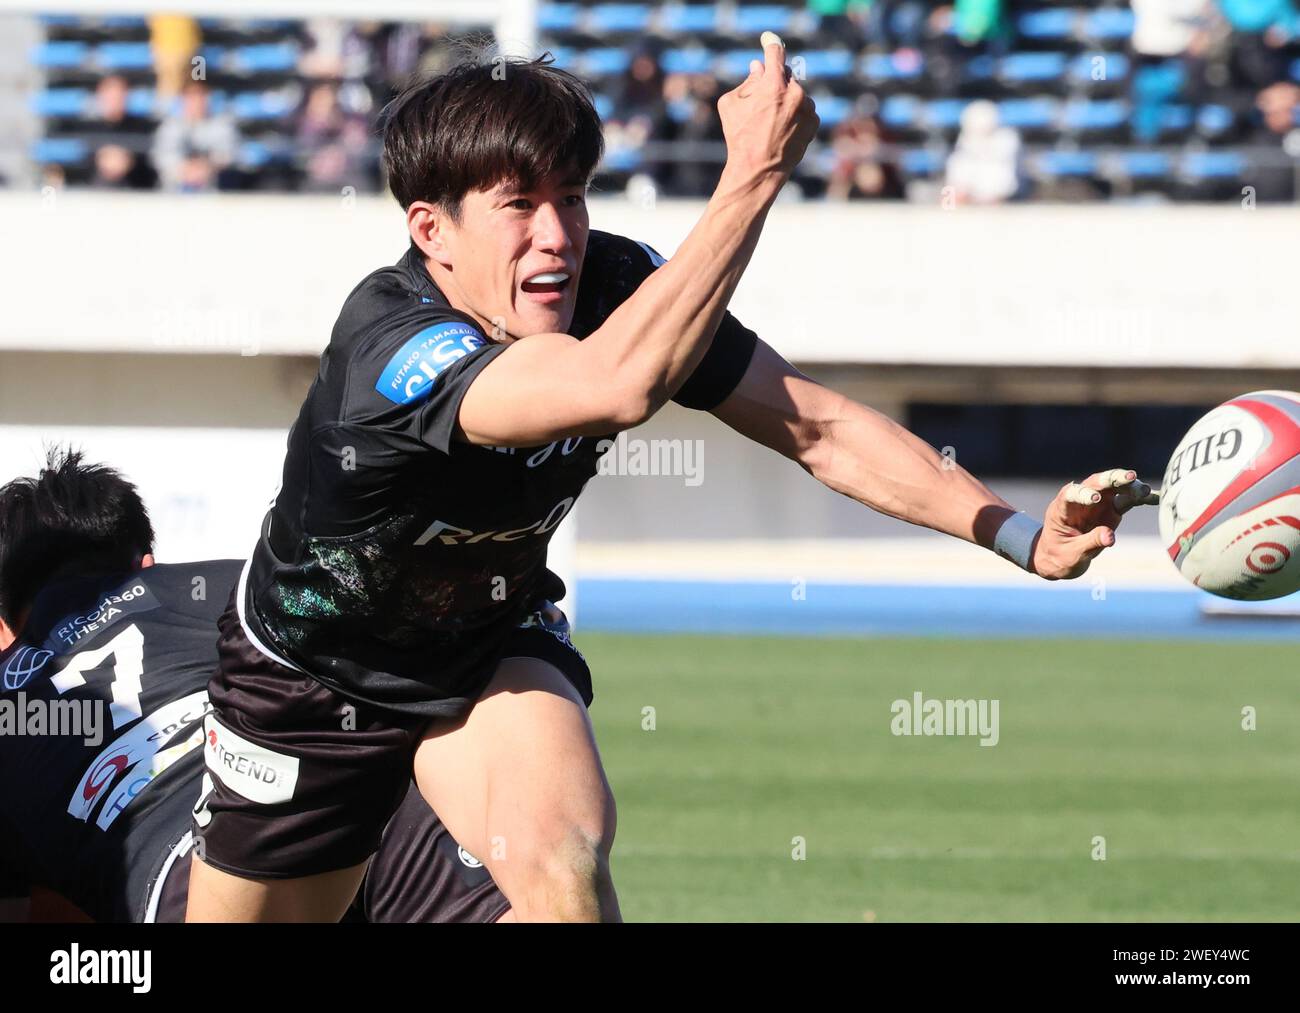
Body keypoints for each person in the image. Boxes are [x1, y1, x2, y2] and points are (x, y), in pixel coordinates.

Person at [185, 39, 1152, 924]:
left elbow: (816, 425)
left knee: (565, 877)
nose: (557, 235)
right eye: (519, 206)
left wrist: (1021, 533)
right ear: (431, 230)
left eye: (572, 195)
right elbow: (615, 384)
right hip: (308, 683)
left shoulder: (615, 285)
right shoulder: (392, 345)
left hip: (487, 642)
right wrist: (754, 173)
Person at [0, 450, 515, 924]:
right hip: (355, 799)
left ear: (8, 618)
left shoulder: (11, 699)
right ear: (146, 564)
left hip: (199, 875)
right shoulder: (236, 583)